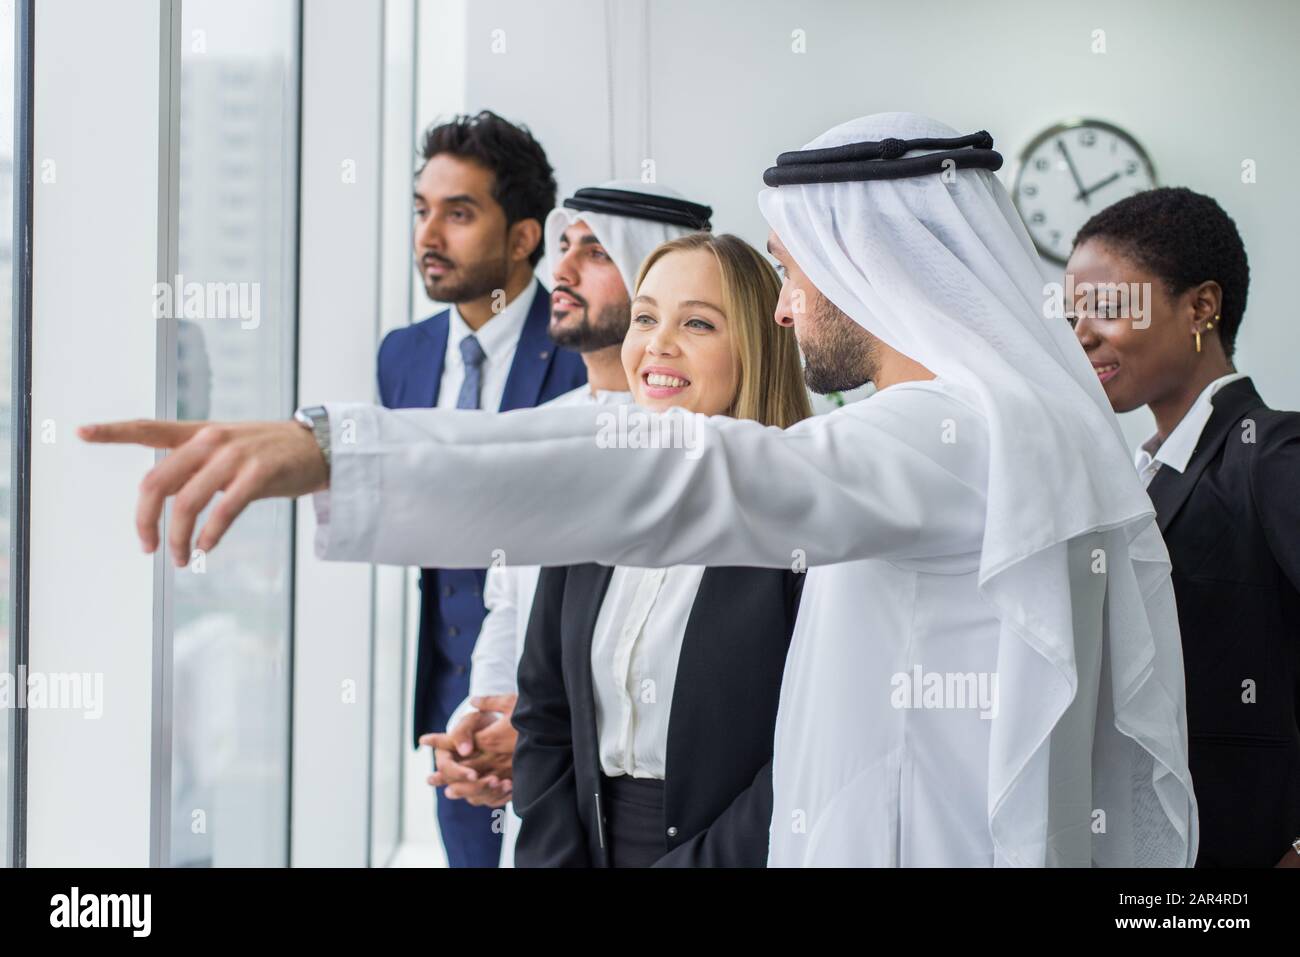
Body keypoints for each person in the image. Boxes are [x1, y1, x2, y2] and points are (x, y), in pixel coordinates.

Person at [79, 112, 1198, 867]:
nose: (784, 308)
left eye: (794, 273)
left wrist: (339, 452)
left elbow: (682, 473)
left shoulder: (961, 430)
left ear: (874, 272)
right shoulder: (997, 424)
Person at [419, 182, 714, 867]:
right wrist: (484, 719)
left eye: (596, 252)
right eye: (562, 248)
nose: (564, 271)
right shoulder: (536, 434)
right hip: (546, 805)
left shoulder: (710, 451)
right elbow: (506, 604)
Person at [514, 232, 811, 867]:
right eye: (645, 317)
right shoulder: (591, 500)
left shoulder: (804, 521)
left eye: (697, 323)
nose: (658, 344)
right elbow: (543, 718)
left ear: (756, 349)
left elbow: (806, 753)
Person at [1066, 186, 1300, 868]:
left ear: (1201, 306)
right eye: (1074, 313)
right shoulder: (1139, 477)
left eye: (1107, 308)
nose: (1082, 334)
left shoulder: (1272, 454)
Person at [382, 110, 587, 868]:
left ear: (525, 236)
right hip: (451, 709)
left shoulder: (581, 351)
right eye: (421, 209)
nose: (429, 235)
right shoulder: (402, 357)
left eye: (459, 213)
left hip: (560, 714)